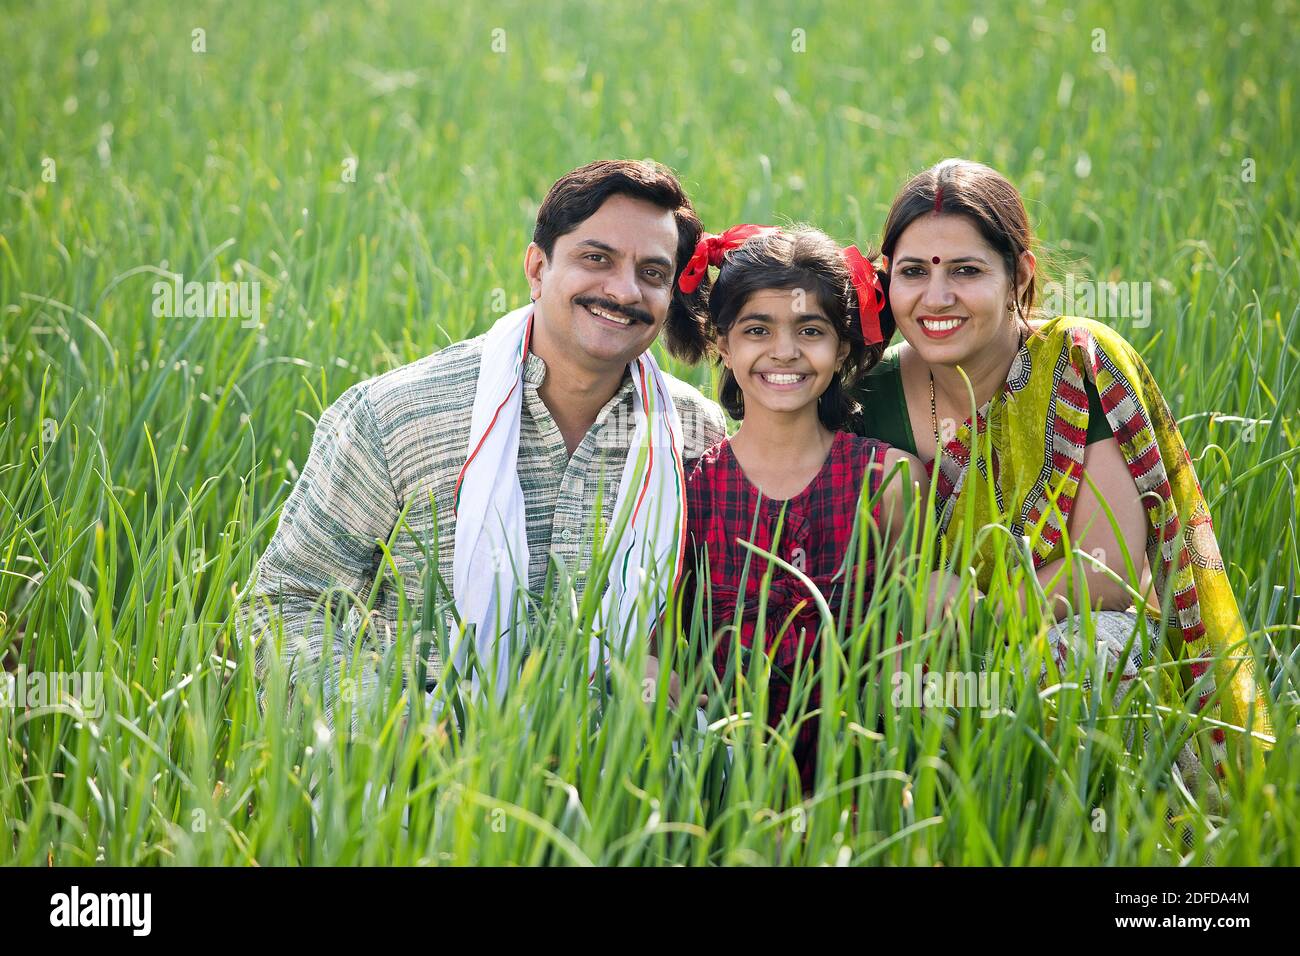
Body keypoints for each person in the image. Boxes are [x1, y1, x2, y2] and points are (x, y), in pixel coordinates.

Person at [236, 159, 727, 728]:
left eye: (652, 272)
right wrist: (397, 727)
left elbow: (710, 622)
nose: (623, 290)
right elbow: (284, 604)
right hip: (412, 789)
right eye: (597, 259)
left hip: (621, 788)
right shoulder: (399, 415)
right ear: (537, 268)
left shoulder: (692, 434)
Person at [850, 158, 1273, 783]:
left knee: (1090, 653)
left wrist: (974, 616)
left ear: (1019, 275)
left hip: (1069, 641)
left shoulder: (1075, 363)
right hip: (917, 652)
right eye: (914, 272)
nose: (936, 298)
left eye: (966, 271)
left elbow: (1111, 567)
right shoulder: (867, 395)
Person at [676, 224, 925, 794]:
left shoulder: (888, 481)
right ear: (721, 343)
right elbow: (666, 651)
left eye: (810, 331)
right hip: (720, 783)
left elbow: (912, 649)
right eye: (757, 329)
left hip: (861, 781)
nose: (784, 351)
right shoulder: (691, 488)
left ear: (842, 348)